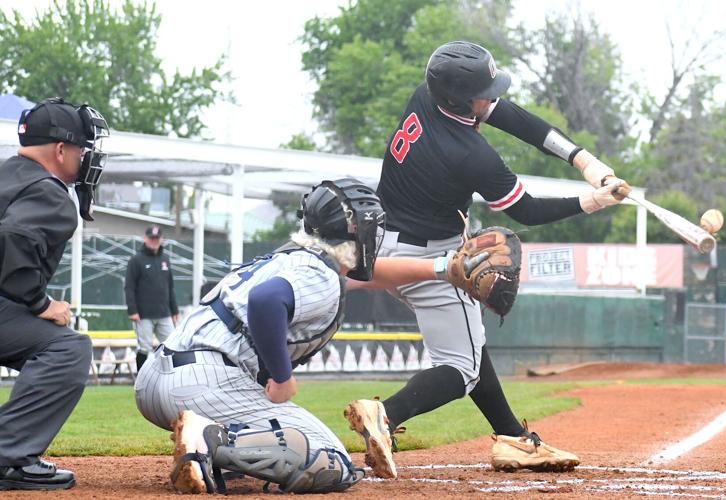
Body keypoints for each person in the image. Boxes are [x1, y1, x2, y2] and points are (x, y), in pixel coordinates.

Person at [344, 40, 630, 479]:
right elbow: (528, 211)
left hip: (382, 241)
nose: (492, 96)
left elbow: (516, 118)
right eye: (485, 90)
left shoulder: (428, 97)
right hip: (430, 258)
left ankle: (512, 436)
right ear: (460, 97)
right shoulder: (471, 155)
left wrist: (582, 159)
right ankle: (387, 414)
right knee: (462, 367)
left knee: (470, 342)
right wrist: (592, 200)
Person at [134, 178, 495, 495]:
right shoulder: (319, 274)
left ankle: (214, 453)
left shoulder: (294, 259)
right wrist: (281, 376)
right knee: (333, 460)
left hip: (155, 379)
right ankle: (210, 442)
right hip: (203, 384)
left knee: (282, 450)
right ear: (357, 231)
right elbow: (265, 301)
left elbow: (372, 275)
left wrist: (444, 268)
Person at [0, 97, 109, 490]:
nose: (86, 158)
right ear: (61, 150)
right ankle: (8, 456)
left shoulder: (7, 174)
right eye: (81, 148)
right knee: (69, 349)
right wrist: (40, 303)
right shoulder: (48, 191)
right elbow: (14, 235)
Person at [125, 224, 180, 371]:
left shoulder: (165, 259)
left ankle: (170, 377)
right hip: (143, 315)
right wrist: (132, 310)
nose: (154, 241)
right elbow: (129, 287)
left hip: (164, 313)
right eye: (151, 238)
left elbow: (170, 287)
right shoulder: (136, 260)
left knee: (172, 345)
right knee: (144, 348)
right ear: (145, 239)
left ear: (161, 239)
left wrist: (174, 310)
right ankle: (141, 381)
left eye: (157, 238)